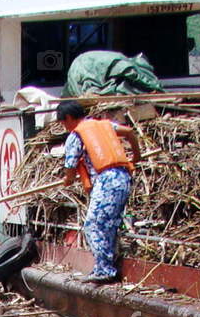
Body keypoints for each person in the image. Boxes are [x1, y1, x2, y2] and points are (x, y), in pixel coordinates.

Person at [57, 100, 143, 285]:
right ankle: (106, 267)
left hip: (106, 180)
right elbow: (128, 132)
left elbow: (70, 165)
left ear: (69, 118)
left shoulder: (76, 135)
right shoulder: (104, 125)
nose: (64, 127)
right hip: (123, 178)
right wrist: (136, 156)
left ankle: (105, 270)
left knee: (93, 225)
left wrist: (68, 180)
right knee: (108, 224)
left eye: (63, 123)